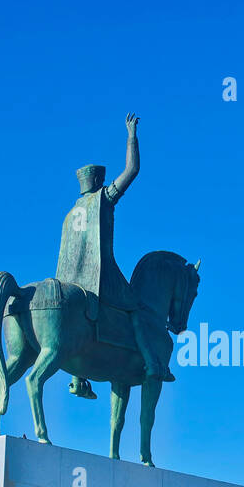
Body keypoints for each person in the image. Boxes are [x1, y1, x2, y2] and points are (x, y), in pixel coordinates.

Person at [55, 113, 174, 398]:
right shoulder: (103, 200)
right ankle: (151, 362)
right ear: (99, 182)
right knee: (135, 309)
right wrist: (131, 136)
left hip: (70, 279)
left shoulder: (71, 213)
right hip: (101, 273)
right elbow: (132, 170)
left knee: (77, 316)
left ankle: (77, 379)